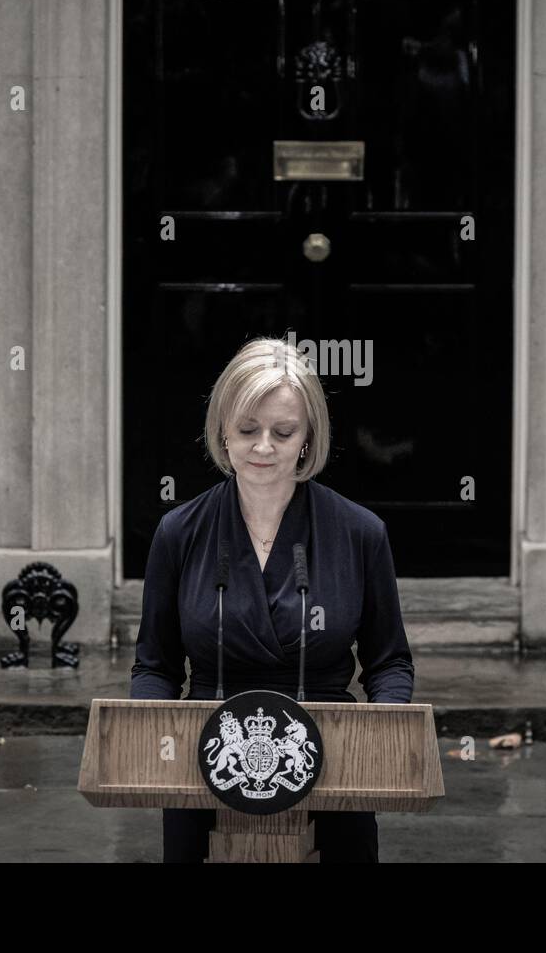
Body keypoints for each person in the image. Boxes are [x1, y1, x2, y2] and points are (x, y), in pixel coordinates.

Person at [129, 336, 415, 862]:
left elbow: (388, 661)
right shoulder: (178, 532)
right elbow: (156, 665)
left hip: (335, 763)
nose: (263, 447)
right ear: (222, 430)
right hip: (204, 762)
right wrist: (148, 740)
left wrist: (383, 738)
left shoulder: (360, 533)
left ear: (308, 438)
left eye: (283, 432)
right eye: (247, 430)